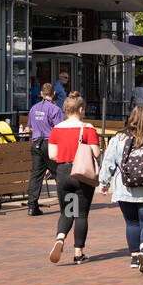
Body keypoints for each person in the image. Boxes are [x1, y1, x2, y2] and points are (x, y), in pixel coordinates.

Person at [99, 103, 143, 272]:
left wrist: (103, 183)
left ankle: (134, 258)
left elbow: (108, 163)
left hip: (124, 189)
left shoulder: (118, 138)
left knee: (132, 223)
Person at [47, 92, 100, 265]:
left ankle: (60, 238)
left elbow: (52, 155)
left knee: (68, 211)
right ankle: (78, 253)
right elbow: (96, 153)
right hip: (81, 174)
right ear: (81, 109)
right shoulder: (88, 128)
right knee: (82, 214)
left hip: (62, 173)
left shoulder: (56, 129)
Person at [27, 83, 62, 215]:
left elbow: (29, 126)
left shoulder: (34, 108)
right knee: (59, 173)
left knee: (36, 175)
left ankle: (32, 206)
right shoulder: (55, 109)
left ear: (41, 93)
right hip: (50, 143)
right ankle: (66, 203)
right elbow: (58, 130)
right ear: (53, 94)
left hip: (36, 144)